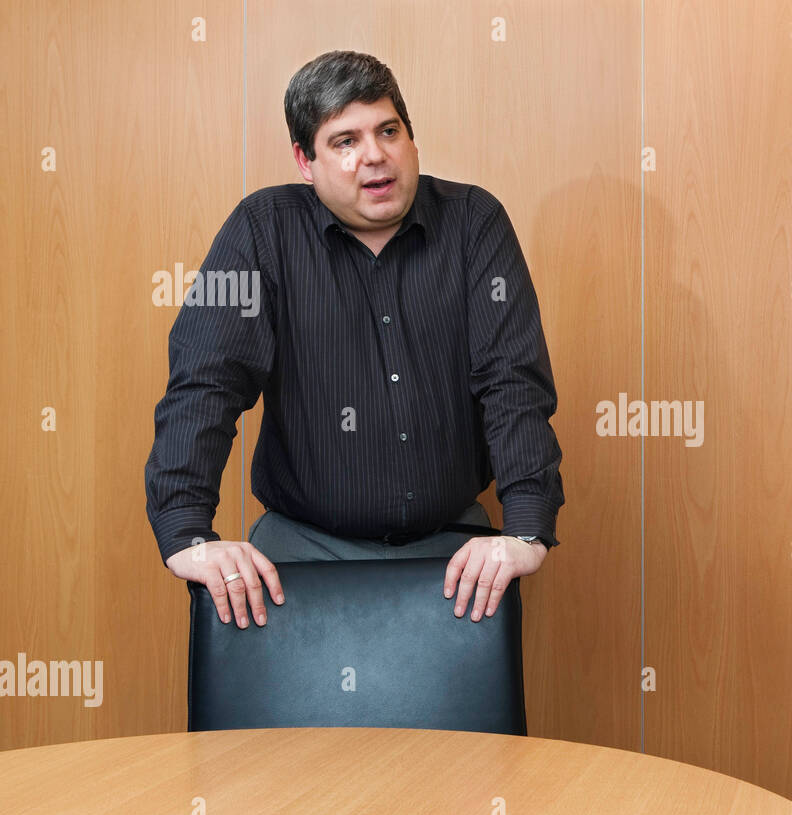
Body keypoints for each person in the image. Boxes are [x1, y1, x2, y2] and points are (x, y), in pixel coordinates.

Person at [145, 50, 563, 633]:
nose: (374, 155)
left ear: (410, 139)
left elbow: (512, 384)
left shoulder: (475, 221)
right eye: (344, 141)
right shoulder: (259, 229)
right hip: (300, 559)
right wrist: (187, 532)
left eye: (388, 130)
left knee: (447, 731)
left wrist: (524, 527)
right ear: (305, 161)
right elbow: (204, 384)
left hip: (456, 561)